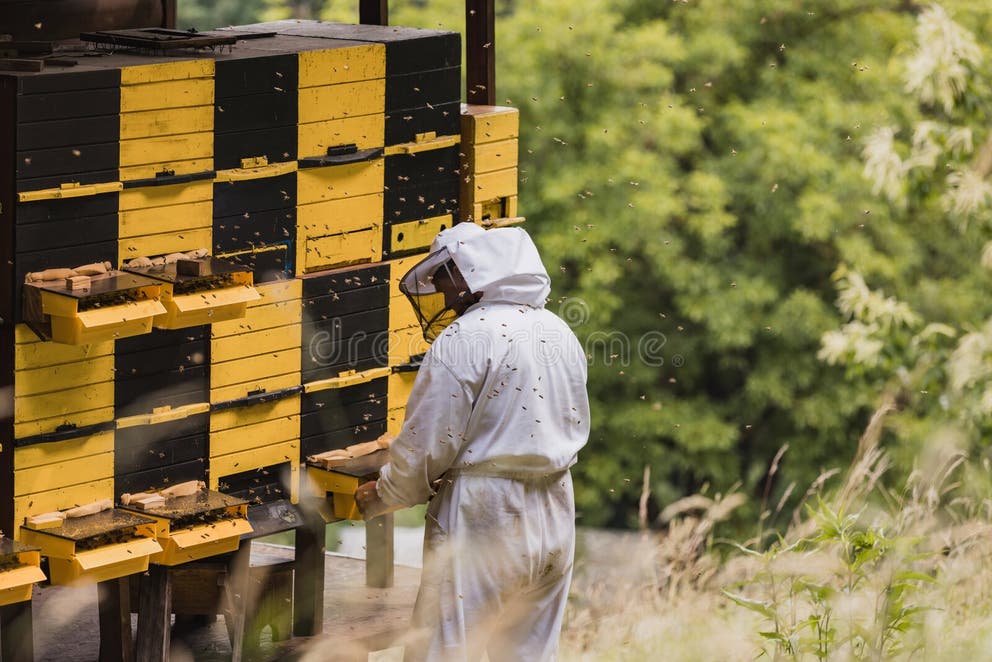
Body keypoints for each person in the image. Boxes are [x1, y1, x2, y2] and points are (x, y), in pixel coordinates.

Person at [356, 222, 590, 661]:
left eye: (444, 283)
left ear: (470, 275)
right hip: (557, 508)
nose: (443, 297)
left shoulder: (465, 338)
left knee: (445, 651)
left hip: (485, 511)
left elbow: (429, 443)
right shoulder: (560, 332)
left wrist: (384, 493)